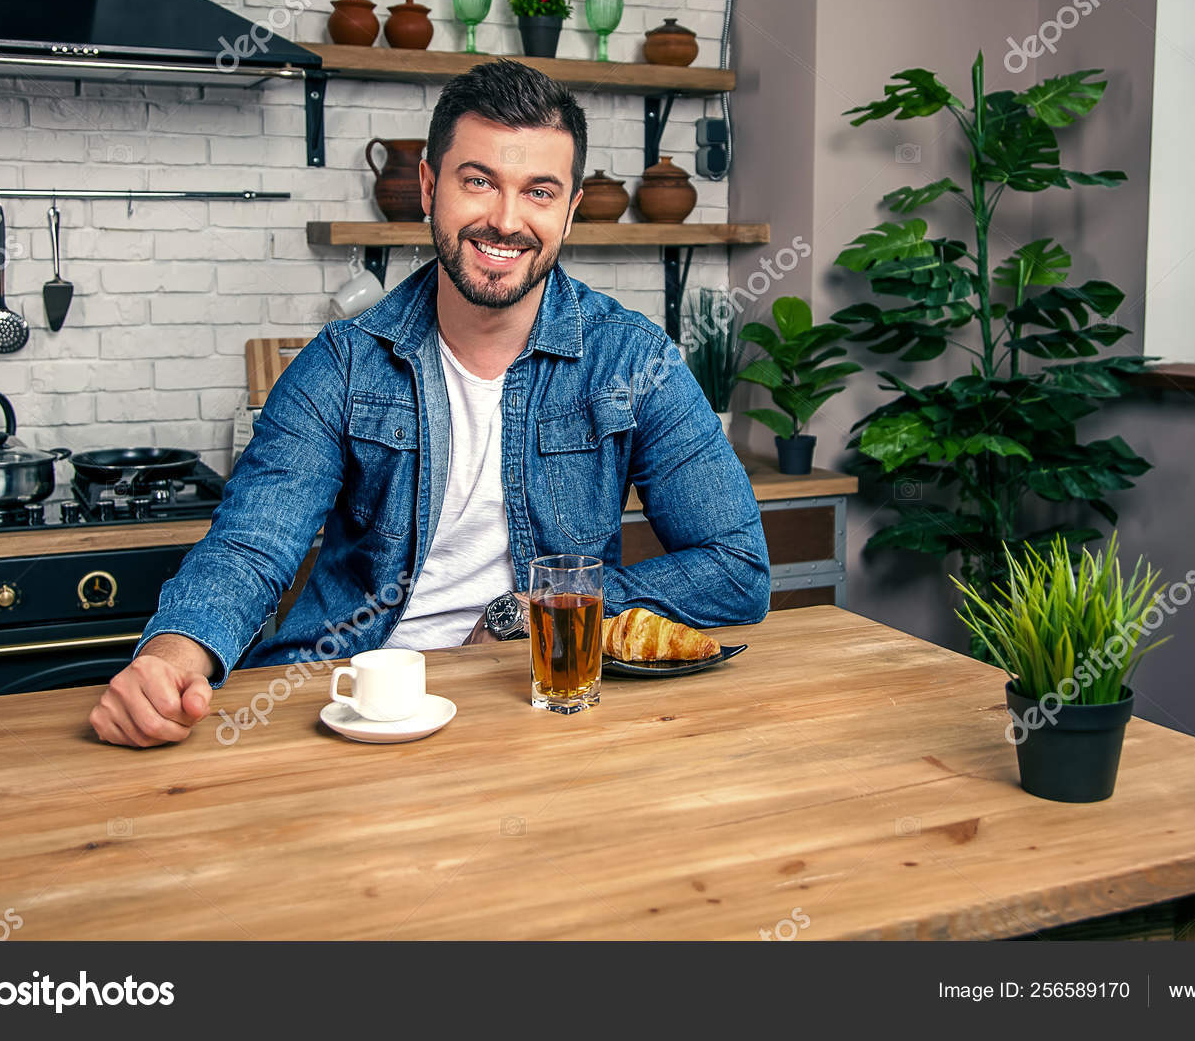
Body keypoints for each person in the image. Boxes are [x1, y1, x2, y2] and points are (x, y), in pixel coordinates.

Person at [89, 59, 769, 748]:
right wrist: (169, 658)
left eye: (538, 191)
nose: (506, 220)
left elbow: (737, 567)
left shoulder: (634, 360)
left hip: (539, 709)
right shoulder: (342, 364)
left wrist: (531, 611)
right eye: (478, 181)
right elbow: (249, 548)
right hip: (352, 711)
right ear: (427, 187)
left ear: (569, 210)